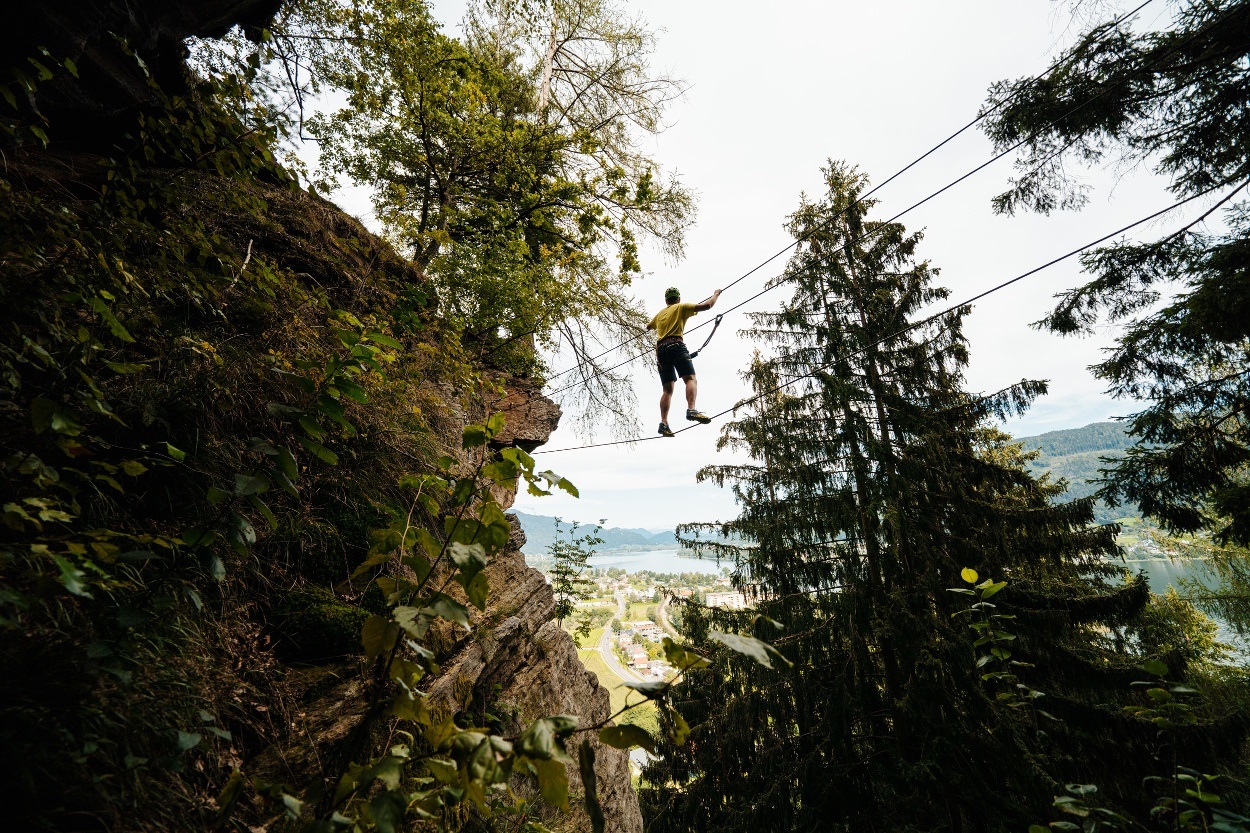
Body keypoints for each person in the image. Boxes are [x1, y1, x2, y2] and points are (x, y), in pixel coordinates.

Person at [647, 285, 722, 437]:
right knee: (690, 379)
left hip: (661, 351)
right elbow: (708, 305)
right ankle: (691, 409)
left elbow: (649, 326)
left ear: (666, 301)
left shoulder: (659, 314)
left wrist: (659, 324)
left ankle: (664, 423)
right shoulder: (681, 307)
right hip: (676, 345)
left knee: (667, 390)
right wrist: (716, 294)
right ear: (678, 299)